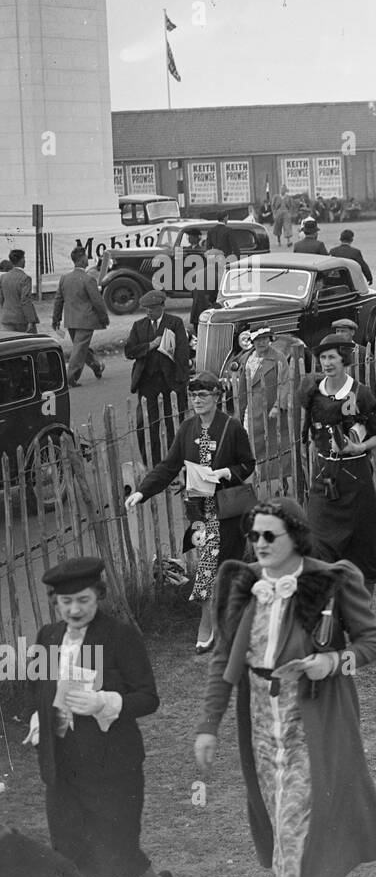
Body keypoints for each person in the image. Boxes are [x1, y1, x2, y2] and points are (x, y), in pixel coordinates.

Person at [197, 498, 376, 877]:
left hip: (311, 724)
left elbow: (372, 643)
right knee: (287, 841)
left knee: (296, 843)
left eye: (271, 535)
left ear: (296, 537)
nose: (260, 544)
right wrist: (208, 724)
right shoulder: (241, 583)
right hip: (260, 726)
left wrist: (332, 661)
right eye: (254, 536)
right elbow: (223, 660)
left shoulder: (330, 581)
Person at [23, 556, 174, 877]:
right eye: (66, 602)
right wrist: (38, 715)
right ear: (54, 602)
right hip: (63, 766)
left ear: (99, 596)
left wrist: (103, 701)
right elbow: (38, 685)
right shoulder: (48, 636)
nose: (74, 609)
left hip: (112, 768)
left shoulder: (119, 636)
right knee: (68, 852)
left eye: (84, 600)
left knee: (116, 849)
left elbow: (148, 697)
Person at [126, 372, 257, 652]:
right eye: (193, 396)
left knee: (222, 567)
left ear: (217, 397)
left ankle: (219, 621)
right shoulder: (187, 429)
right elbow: (169, 466)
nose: (197, 400)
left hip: (229, 512)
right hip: (200, 513)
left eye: (203, 395)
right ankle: (217, 620)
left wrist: (226, 472)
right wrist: (142, 491)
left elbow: (248, 464)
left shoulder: (232, 428)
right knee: (213, 566)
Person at [298, 333, 376, 594]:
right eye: (323, 358)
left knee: (363, 542)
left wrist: (359, 446)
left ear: (344, 360)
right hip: (325, 474)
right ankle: (326, 606)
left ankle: (363, 608)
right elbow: (312, 434)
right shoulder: (313, 393)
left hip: (356, 475)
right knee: (317, 541)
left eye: (332, 357)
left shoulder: (362, 393)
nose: (327, 363)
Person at [124, 290, 191, 466]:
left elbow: (182, 353)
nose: (148, 312)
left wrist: (181, 382)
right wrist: (150, 345)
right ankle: (151, 464)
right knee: (145, 425)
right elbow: (129, 351)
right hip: (147, 383)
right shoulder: (138, 326)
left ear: (162, 306)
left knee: (173, 425)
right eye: (146, 309)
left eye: (152, 309)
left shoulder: (175, 323)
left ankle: (175, 464)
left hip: (170, 383)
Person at [232, 326, 292, 481]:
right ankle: (257, 480)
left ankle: (279, 482)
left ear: (270, 340)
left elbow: (285, 383)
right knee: (251, 447)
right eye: (258, 339)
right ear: (253, 341)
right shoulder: (247, 358)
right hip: (250, 412)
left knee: (275, 448)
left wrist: (278, 406)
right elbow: (242, 387)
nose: (262, 343)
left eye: (265, 339)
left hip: (271, 413)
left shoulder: (278, 358)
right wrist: (239, 410)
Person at [52, 246, 108, 386]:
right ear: (82, 259)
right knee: (79, 349)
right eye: (86, 257)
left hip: (71, 320)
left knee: (80, 348)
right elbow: (97, 301)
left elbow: (58, 300)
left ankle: (97, 366)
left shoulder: (64, 278)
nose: (87, 259)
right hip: (86, 320)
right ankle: (70, 378)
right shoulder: (88, 279)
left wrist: (56, 319)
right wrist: (104, 318)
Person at [0, 248, 37, 332]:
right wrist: (31, 320)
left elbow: (1, 298)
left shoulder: (3, 277)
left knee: (10, 343)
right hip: (21, 319)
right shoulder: (25, 278)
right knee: (29, 343)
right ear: (22, 260)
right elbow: (25, 300)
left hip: (6, 317)